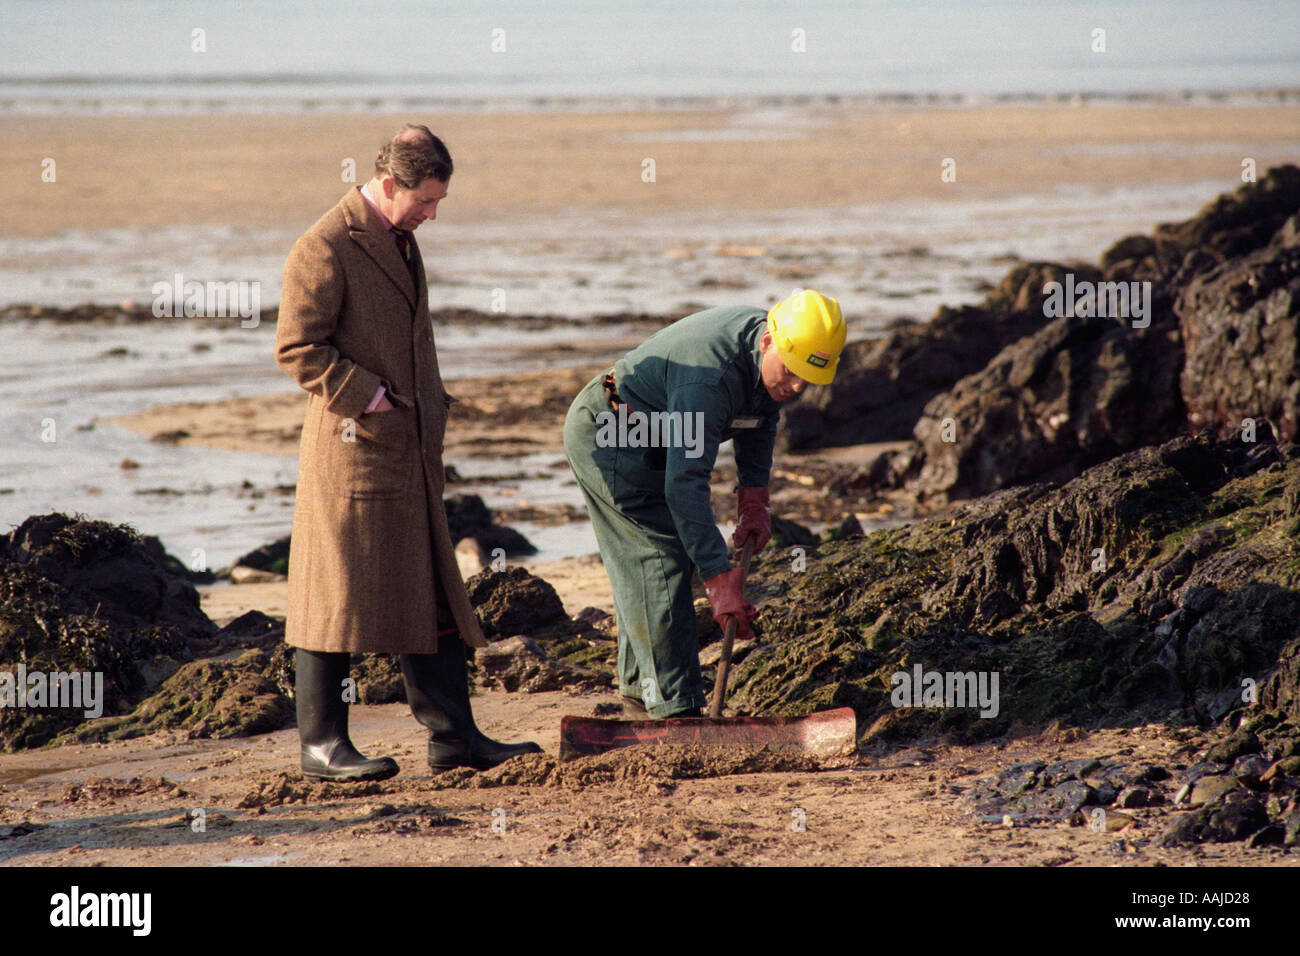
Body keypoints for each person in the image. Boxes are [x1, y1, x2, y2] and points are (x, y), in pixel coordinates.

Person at [275, 124, 541, 780]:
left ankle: (454, 739)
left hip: (410, 453)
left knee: (430, 592)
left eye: (438, 203)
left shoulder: (400, 236)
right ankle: (320, 745)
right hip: (354, 451)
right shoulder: (325, 244)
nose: (431, 215)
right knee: (330, 597)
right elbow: (296, 347)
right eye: (424, 201)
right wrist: (369, 399)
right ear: (389, 184)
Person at [562, 290, 847, 718]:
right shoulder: (708, 380)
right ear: (769, 340)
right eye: (791, 372)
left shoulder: (768, 351)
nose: (796, 387)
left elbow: (760, 418)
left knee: (654, 561)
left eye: (809, 379)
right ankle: (675, 709)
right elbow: (685, 485)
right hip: (611, 432)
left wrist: (754, 500)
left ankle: (642, 696)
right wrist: (718, 578)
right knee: (659, 557)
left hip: (658, 434)